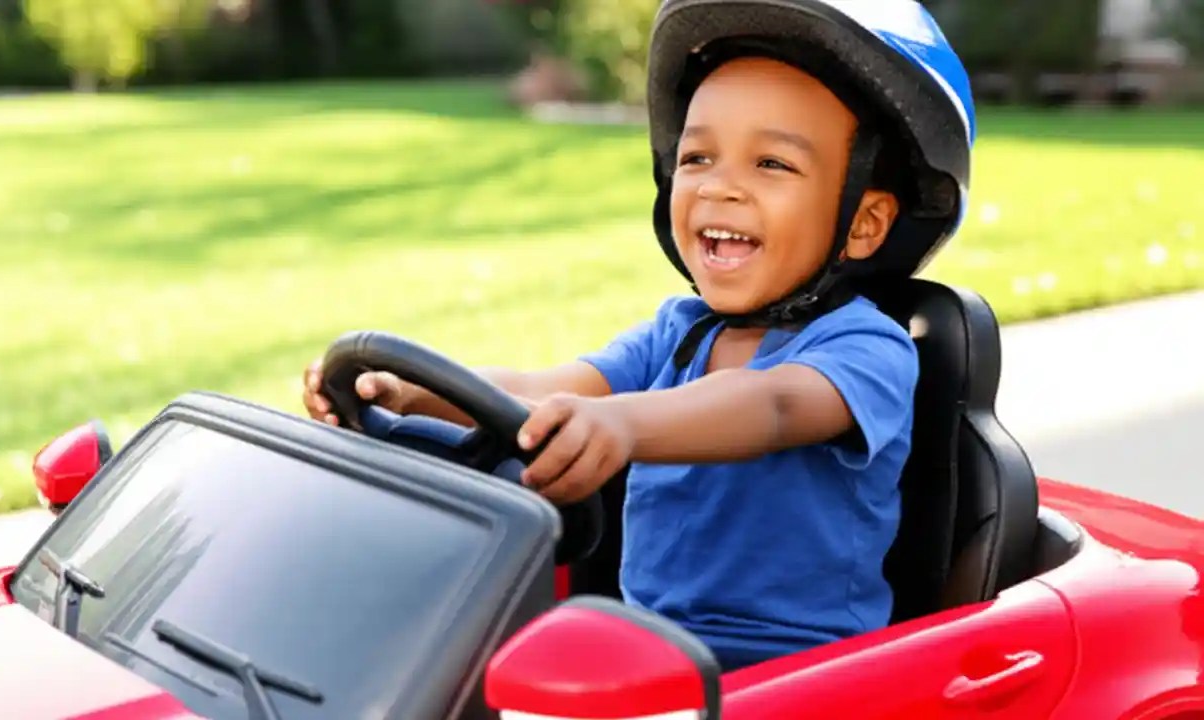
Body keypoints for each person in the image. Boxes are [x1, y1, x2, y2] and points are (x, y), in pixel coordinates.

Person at [303, 0, 975, 671]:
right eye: (698, 157)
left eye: (771, 164)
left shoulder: (868, 349)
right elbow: (547, 391)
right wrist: (412, 392)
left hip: (794, 680)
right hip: (646, 655)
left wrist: (620, 424)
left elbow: (771, 408)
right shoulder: (675, 335)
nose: (721, 188)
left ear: (864, 223)